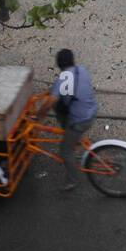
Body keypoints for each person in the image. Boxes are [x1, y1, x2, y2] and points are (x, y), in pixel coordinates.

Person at [45, 49, 98, 191]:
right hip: (91, 111)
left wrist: (38, 117)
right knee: (61, 106)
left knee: (65, 151)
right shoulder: (82, 70)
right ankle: (73, 137)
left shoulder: (62, 79)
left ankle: (72, 181)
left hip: (80, 120)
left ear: (58, 63)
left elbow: (50, 101)